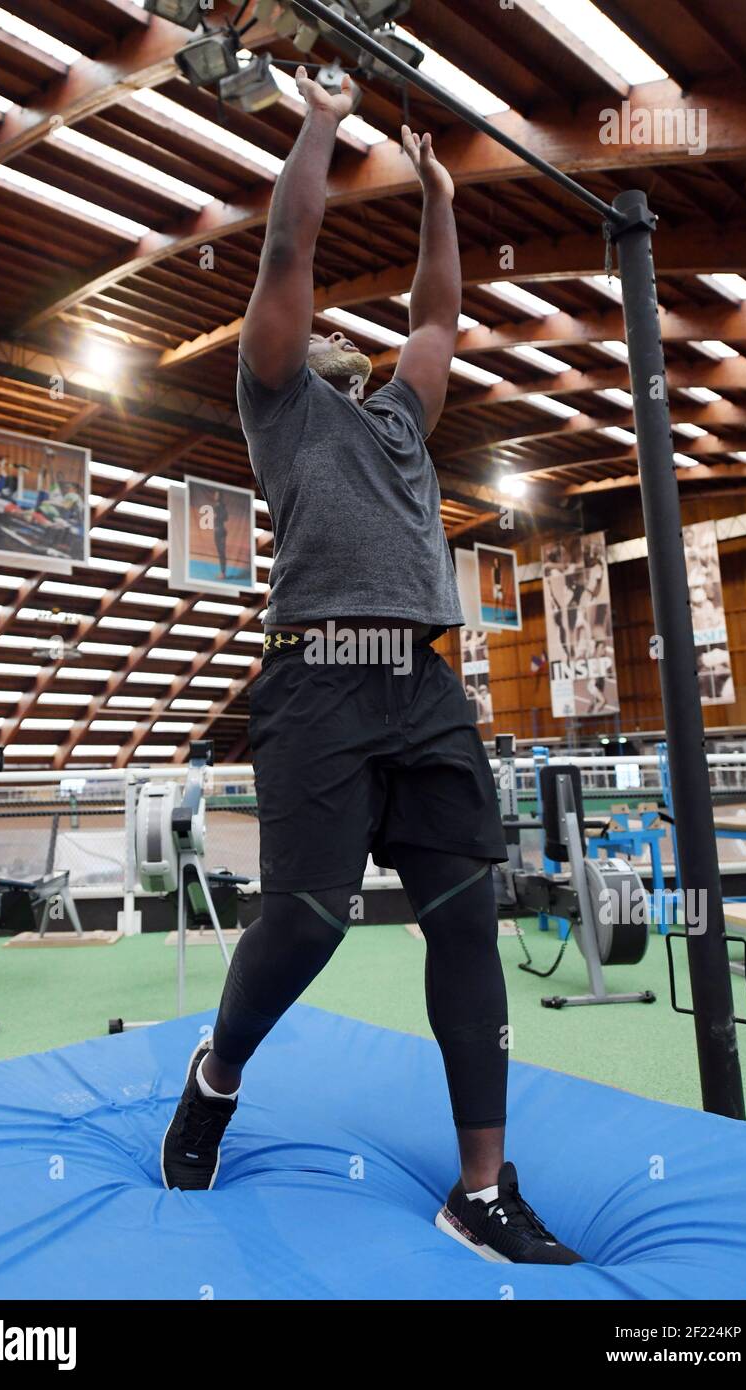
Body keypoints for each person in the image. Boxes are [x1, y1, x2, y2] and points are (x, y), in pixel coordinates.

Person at [161, 67, 582, 1266]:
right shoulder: (278, 398)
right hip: (319, 675)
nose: (342, 334)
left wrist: (439, 193)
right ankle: (218, 1072)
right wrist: (321, 122)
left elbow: (439, 318)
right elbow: (288, 249)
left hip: (422, 684)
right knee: (306, 917)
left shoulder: (399, 419)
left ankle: (482, 1190)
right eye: (324, 326)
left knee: (467, 919)